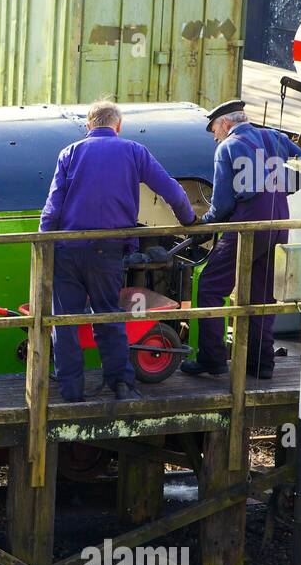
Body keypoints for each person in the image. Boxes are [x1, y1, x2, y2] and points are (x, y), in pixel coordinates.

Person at [41, 100, 198, 403]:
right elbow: (171, 190)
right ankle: (122, 385)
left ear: (88, 126)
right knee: (109, 316)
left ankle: (70, 392)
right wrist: (189, 221)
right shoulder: (135, 151)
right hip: (108, 251)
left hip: (67, 249)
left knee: (64, 320)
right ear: (118, 126)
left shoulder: (69, 154)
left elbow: (52, 208)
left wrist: (44, 243)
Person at [182, 99, 301, 380]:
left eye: (214, 129)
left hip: (247, 225)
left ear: (225, 123)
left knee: (210, 288)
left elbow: (222, 205)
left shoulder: (227, 147)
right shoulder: (275, 137)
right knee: (262, 295)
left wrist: (202, 223)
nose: (215, 135)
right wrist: (280, 188)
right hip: (278, 221)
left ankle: (212, 359)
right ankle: (261, 364)